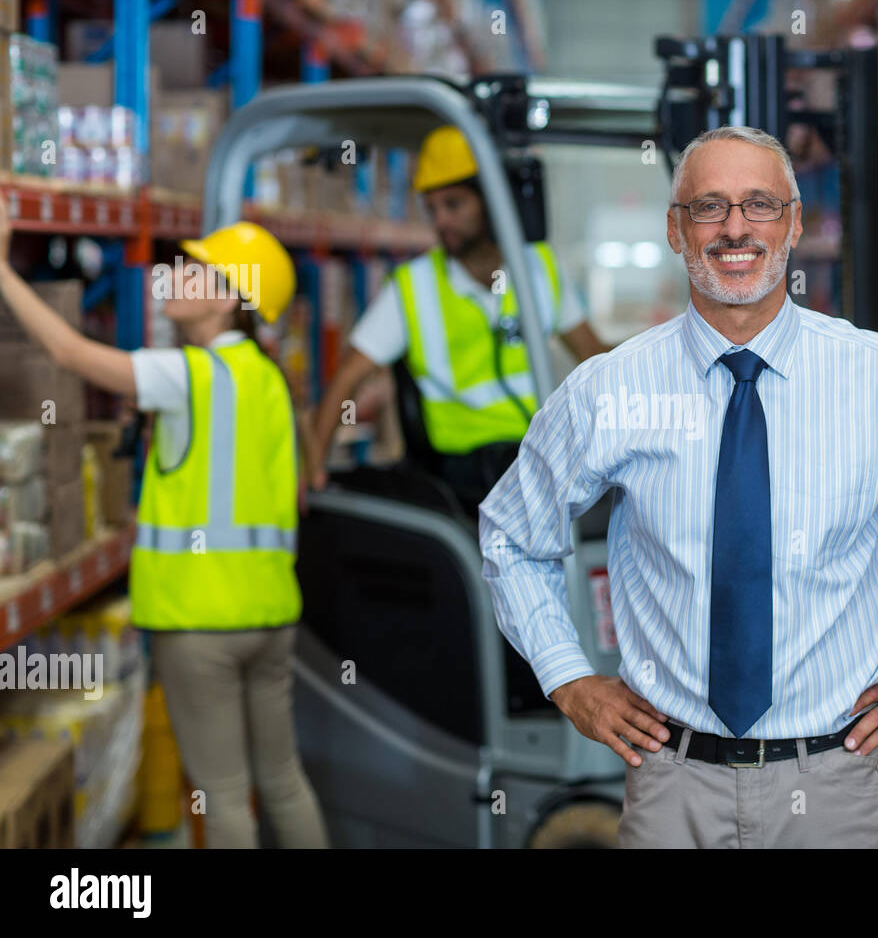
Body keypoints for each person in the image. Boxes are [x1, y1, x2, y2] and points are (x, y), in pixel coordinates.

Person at [478, 126, 878, 848]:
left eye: (761, 205)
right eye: (709, 207)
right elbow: (510, 535)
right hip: (671, 783)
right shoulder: (608, 391)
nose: (736, 228)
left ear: (796, 223)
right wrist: (568, 680)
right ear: (675, 230)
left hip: (841, 784)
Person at [0, 207, 328, 849]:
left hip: (199, 624)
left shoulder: (188, 375)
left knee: (224, 798)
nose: (177, 276)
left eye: (199, 271)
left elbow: (66, 351)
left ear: (231, 300)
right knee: (283, 780)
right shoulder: (267, 380)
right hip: (271, 617)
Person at [307, 125, 610, 509]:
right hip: (465, 468)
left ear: (492, 200)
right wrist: (314, 469)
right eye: (431, 208)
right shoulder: (411, 287)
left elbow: (596, 356)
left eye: (454, 205)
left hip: (533, 453)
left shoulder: (540, 268)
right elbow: (347, 376)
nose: (441, 221)